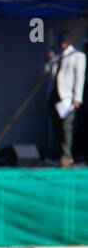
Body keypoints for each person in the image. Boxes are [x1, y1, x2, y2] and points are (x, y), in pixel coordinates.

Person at [45, 30, 85, 166]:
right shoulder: (57, 57)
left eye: (64, 41)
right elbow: (46, 73)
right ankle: (57, 153)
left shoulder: (78, 56)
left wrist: (77, 98)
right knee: (56, 127)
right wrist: (50, 59)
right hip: (55, 96)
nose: (62, 44)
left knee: (66, 127)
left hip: (67, 97)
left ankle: (66, 155)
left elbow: (80, 78)